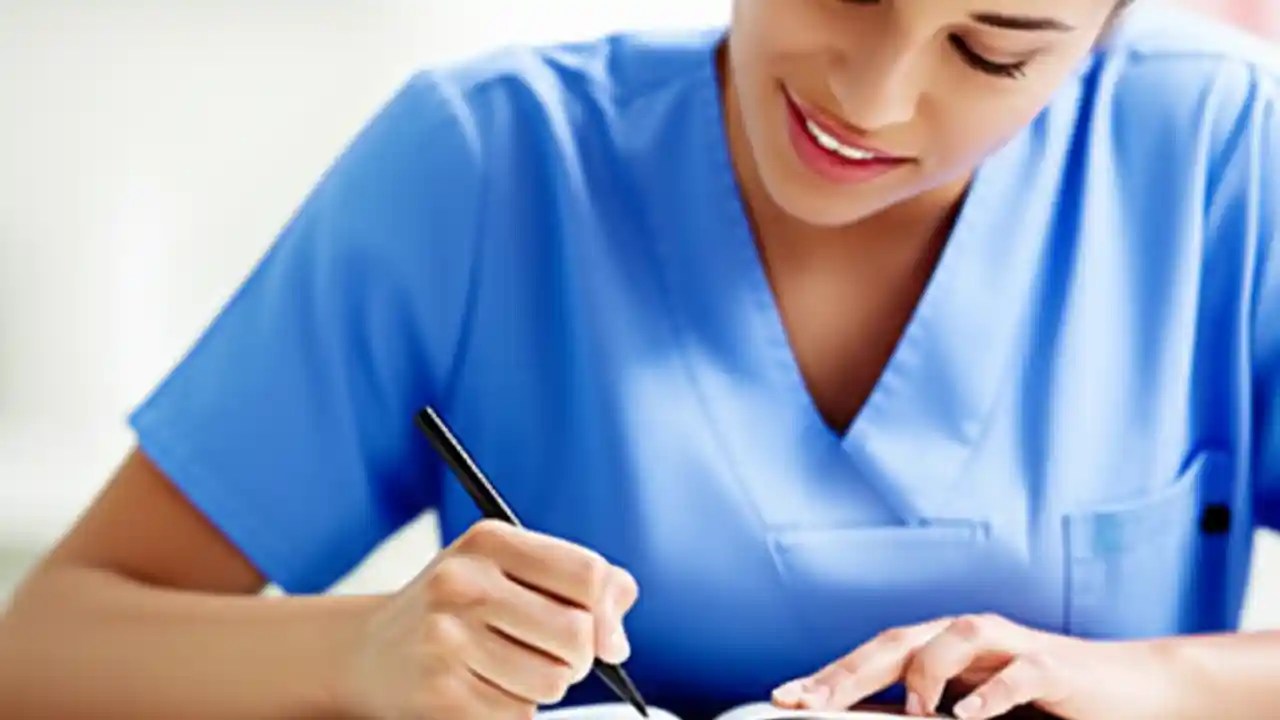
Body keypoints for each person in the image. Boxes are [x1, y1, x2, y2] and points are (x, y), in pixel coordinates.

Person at [1, 0, 1277, 717]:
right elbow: (48, 647)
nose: (873, 97)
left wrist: (1146, 680)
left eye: (991, 50)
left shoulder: (1215, 148)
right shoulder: (489, 164)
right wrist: (358, 655)